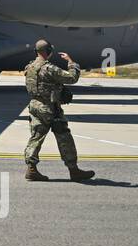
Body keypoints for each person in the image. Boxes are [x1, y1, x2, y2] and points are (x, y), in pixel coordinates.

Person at [23, 40, 96, 182]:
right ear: (48, 51)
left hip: (35, 106)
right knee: (64, 138)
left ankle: (31, 169)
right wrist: (71, 62)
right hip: (51, 109)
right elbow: (72, 78)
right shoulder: (49, 68)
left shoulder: (29, 67)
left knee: (36, 137)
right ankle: (74, 170)